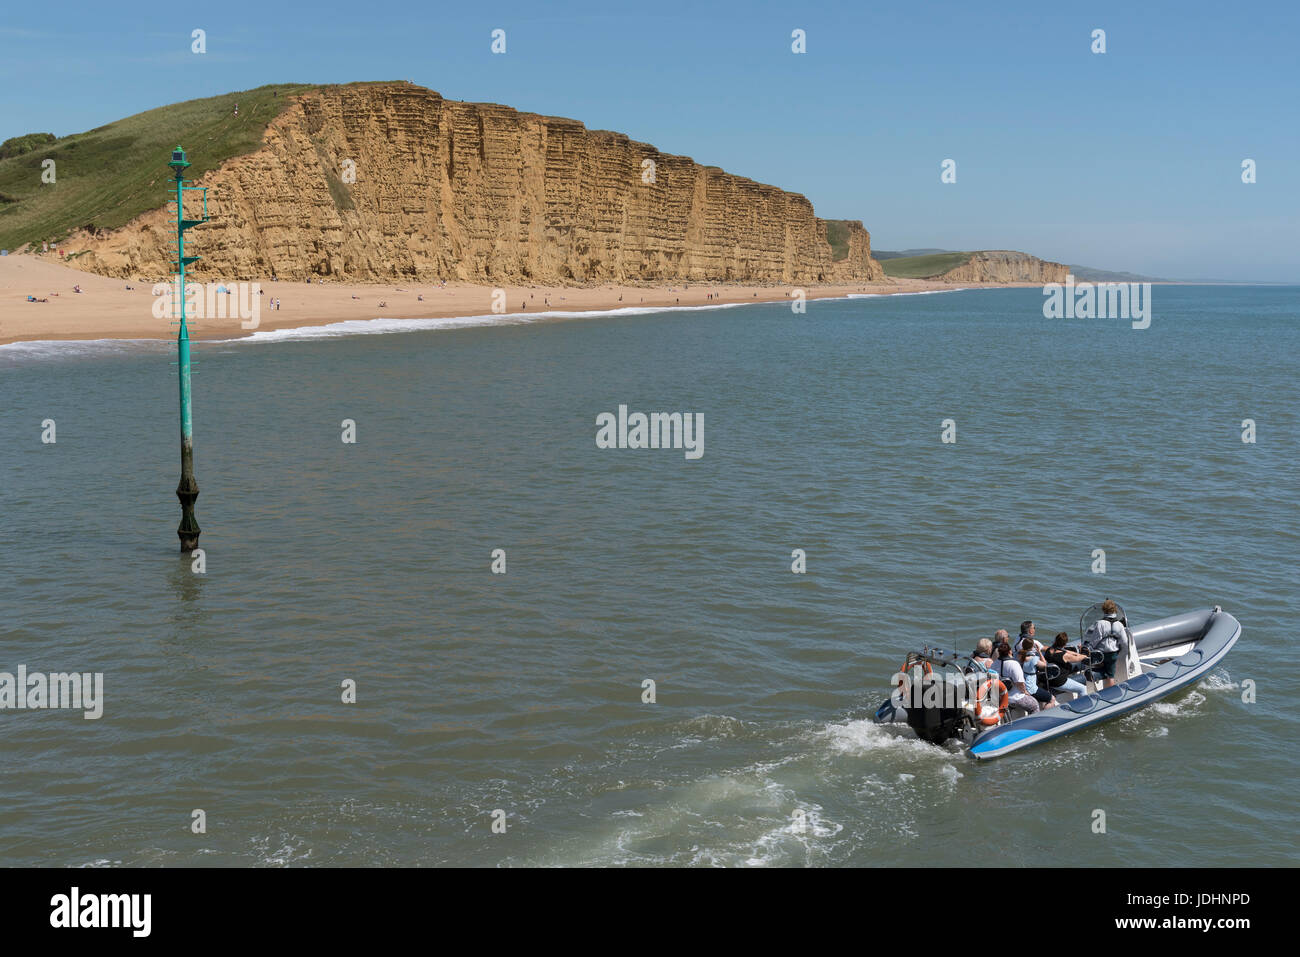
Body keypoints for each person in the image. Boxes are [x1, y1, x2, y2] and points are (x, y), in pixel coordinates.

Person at [1084, 599, 1130, 688]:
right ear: (1114, 610)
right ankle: (1110, 694)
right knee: (1111, 676)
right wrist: (1121, 652)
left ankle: (1095, 685)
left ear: (1104, 610)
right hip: (1113, 654)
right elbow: (1124, 641)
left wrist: (1088, 648)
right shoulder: (1119, 624)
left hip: (1100, 654)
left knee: (1098, 669)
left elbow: (1095, 640)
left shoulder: (1100, 623)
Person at [994, 641, 1039, 716]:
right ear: (1010, 651)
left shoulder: (994, 664)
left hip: (1001, 697)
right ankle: (1033, 725)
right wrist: (1025, 692)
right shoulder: (1014, 664)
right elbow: (1020, 683)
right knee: (1034, 706)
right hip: (1015, 698)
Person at [1044, 632, 1089, 697]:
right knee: (1083, 689)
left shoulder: (1049, 650)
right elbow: (1078, 659)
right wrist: (1084, 655)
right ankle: (1081, 704)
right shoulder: (1064, 656)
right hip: (1059, 682)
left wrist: (1077, 653)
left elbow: (1066, 651)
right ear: (1065, 643)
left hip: (1050, 678)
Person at [1018, 636, 1056, 709]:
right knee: (1052, 699)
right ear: (1032, 647)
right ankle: (1044, 715)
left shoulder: (1021, 656)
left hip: (1025, 685)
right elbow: (1044, 664)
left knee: (1042, 698)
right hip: (1031, 688)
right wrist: (1039, 652)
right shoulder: (1033, 659)